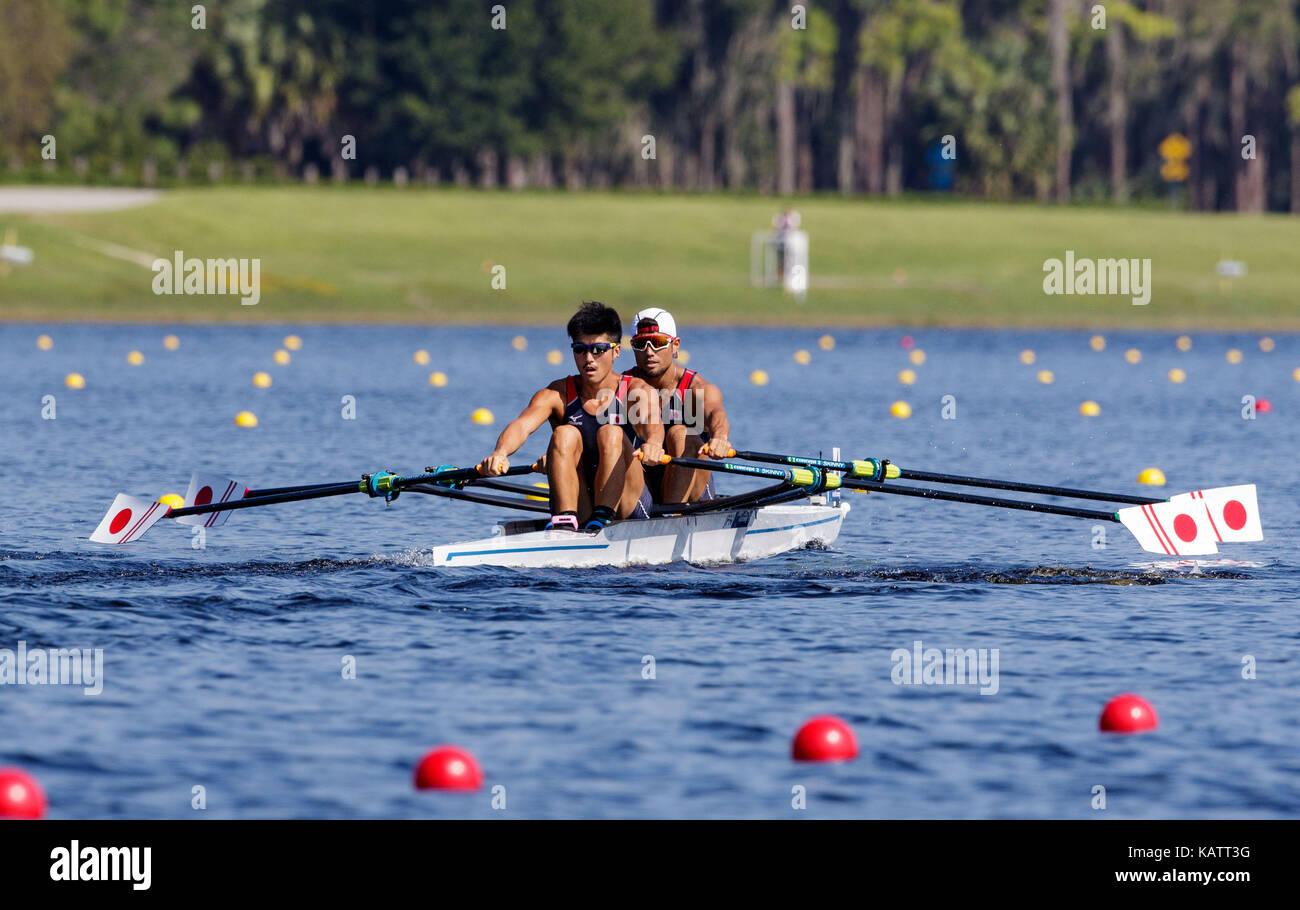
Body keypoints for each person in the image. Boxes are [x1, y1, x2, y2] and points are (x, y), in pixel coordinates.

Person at [478, 302, 665, 531]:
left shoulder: (635, 390)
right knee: (564, 433)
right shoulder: (558, 393)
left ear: (616, 351)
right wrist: (500, 453)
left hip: (628, 505)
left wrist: (654, 444)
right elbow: (522, 426)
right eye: (580, 349)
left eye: (598, 349)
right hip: (582, 502)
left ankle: (603, 518)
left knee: (610, 431)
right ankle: (566, 522)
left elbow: (651, 424)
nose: (588, 358)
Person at [625, 307, 731, 504]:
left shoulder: (696, 389)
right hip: (641, 487)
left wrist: (720, 438)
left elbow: (716, 414)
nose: (649, 351)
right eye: (640, 344)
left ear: (675, 346)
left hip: (693, 491)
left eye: (657, 343)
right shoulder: (621, 385)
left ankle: (670, 515)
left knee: (680, 433)